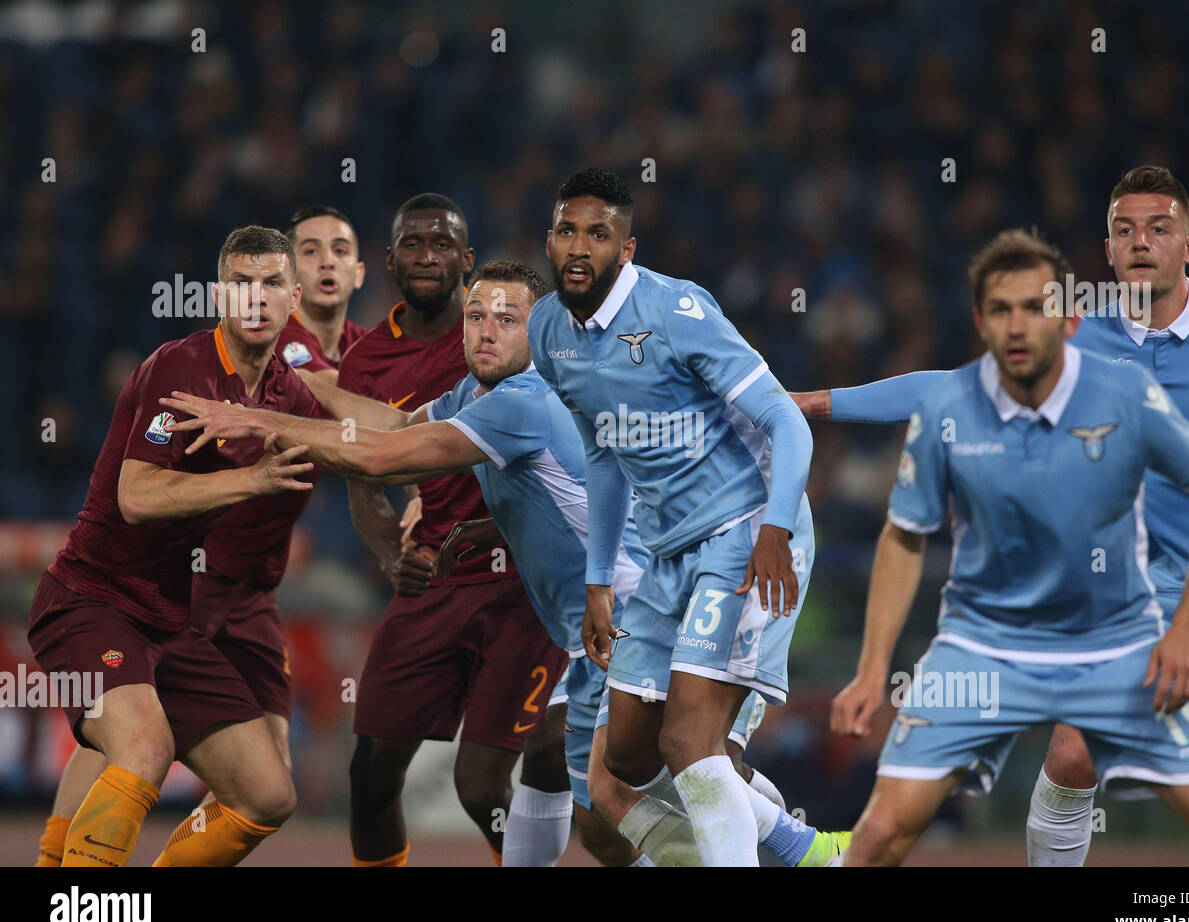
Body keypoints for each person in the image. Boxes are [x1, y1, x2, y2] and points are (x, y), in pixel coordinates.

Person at [165, 257, 837, 867]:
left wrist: (261, 422)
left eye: (507, 320)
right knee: (615, 810)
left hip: (642, 616)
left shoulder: (525, 400)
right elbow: (392, 426)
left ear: (538, 330)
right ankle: (807, 852)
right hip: (600, 631)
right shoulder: (475, 396)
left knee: (656, 773)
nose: (485, 331)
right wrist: (305, 380)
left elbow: (378, 457)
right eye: (477, 316)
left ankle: (813, 853)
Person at [799, 166, 1189, 867]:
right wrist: (821, 403)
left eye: (1159, 229)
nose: (1141, 243)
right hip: (1142, 604)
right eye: (1125, 230)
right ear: (1107, 250)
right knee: (1069, 755)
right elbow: (952, 386)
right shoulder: (1081, 338)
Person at [528, 168, 840, 867]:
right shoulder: (548, 331)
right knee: (627, 760)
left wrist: (775, 532)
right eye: (568, 231)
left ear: (627, 249)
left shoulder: (678, 312)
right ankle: (811, 853)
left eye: (599, 234)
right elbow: (602, 457)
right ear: (549, 240)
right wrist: (598, 581)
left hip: (745, 529)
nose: (580, 247)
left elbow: (789, 425)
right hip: (666, 549)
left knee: (689, 744)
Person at [27, 225, 318, 867]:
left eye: (270, 284)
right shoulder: (182, 369)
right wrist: (256, 479)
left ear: (292, 298)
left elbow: (360, 439)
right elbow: (137, 496)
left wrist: (445, 431)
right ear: (218, 296)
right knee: (143, 746)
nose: (255, 298)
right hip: (88, 602)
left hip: (167, 624)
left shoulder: (283, 394)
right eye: (240, 284)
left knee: (268, 795)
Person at [331, 194, 565, 865]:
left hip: (523, 581)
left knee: (485, 786)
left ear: (466, 259)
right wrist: (389, 556)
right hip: (435, 580)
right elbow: (366, 482)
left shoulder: (521, 338)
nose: (427, 257)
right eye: (413, 244)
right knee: (370, 775)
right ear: (390, 261)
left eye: (442, 245)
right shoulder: (369, 364)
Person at [276, 205, 368, 383]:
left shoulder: (367, 343)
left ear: (359, 274)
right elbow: (329, 392)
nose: (327, 262)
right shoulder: (275, 336)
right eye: (311, 251)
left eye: (340, 250)